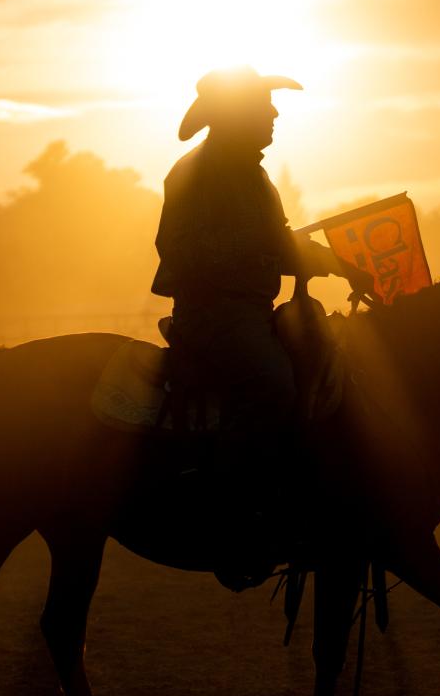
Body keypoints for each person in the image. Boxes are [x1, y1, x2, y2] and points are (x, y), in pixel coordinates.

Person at [150, 66, 364, 453]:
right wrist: (260, 248)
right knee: (273, 386)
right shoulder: (194, 173)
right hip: (214, 319)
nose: (274, 115)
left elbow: (280, 242)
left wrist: (342, 264)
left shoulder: (254, 176)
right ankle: (232, 497)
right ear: (236, 116)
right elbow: (179, 250)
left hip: (250, 315)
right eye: (263, 106)